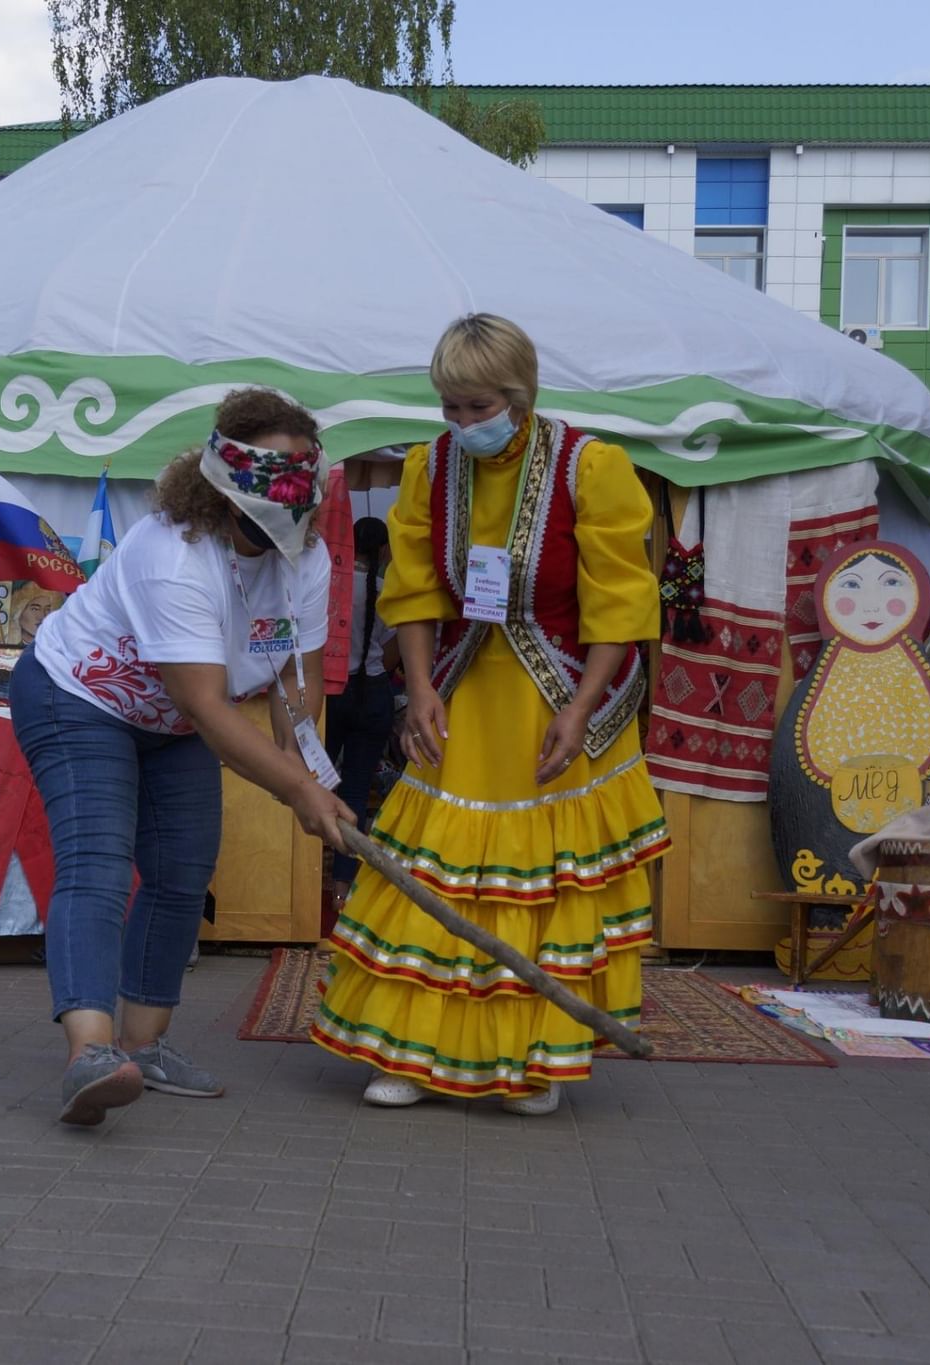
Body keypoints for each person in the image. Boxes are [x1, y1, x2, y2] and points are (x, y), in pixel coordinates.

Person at [310, 314, 669, 1116]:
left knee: (540, 886)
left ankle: (527, 1063)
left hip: (567, 693)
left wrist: (578, 710)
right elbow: (411, 588)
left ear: (519, 394)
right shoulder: (427, 470)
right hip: (462, 687)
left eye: (476, 406)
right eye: (449, 408)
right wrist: (418, 688)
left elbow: (621, 603)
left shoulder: (593, 466)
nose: (462, 423)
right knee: (431, 869)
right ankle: (407, 1052)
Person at [13, 387, 355, 1127]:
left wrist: (318, 780)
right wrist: (295, 790)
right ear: (223, 492)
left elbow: (298, 690)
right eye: (263, 519)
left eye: (291, 517)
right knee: (98, 862)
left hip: (172, 720)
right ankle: (89, 1054)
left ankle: (145, 1045)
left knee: (183, 868)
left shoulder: (310, 558)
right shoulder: (173, 554)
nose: (277, 536)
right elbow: (207, 706)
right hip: (79, 698)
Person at [325, 516, 401, 909]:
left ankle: (302, 889)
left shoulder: (330, 585)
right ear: (385, 551)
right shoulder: (387, 591)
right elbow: (390, 657)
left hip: (330, 693)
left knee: (315, 785)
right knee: (356, 792)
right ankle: (343, 887)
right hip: (372, 694)